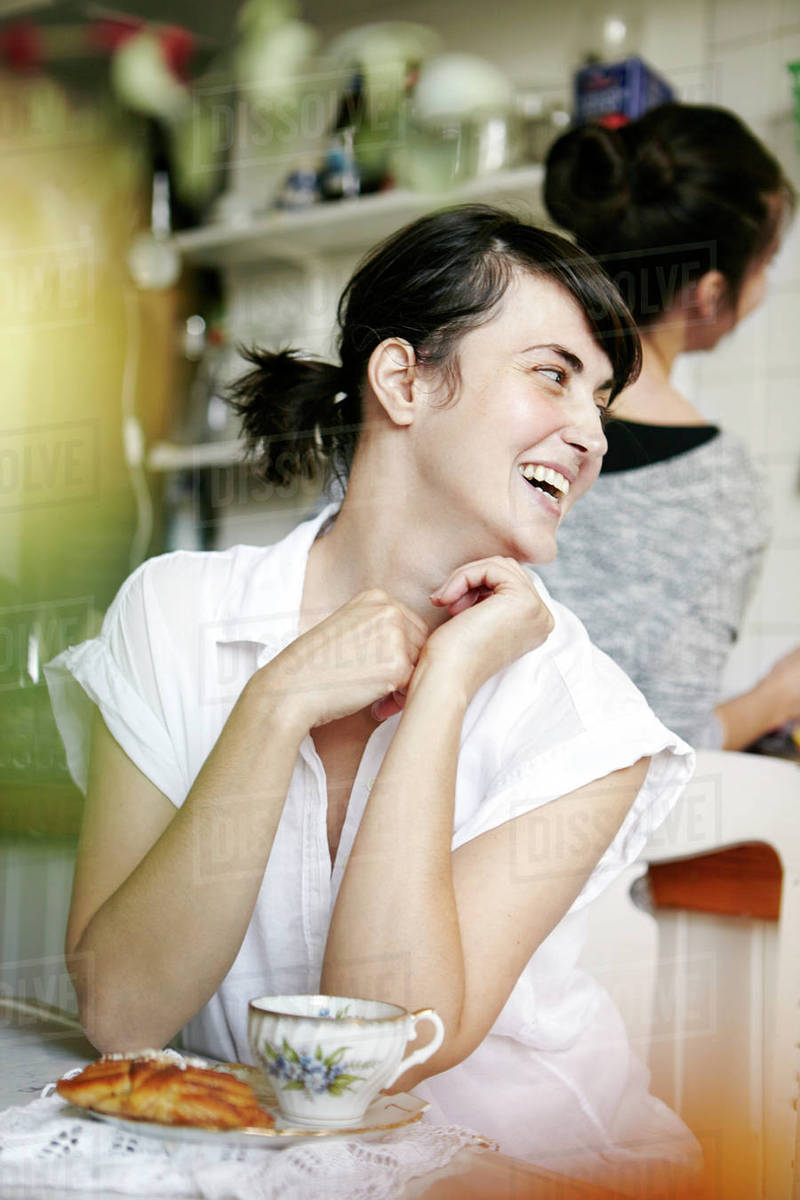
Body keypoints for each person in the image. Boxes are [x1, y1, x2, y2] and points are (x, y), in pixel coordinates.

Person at [46, 205, 698, 1194]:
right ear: (402, 381)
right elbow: (122, 1013)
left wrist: (441, 691)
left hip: (535, 1172)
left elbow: (383, 1039)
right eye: (552, 376)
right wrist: (273, 706)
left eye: (599, 400)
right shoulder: (177, 615)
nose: (590, 436)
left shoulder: (586, 713)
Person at [540, 102, 799, 750]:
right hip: (577, 843)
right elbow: (663, 748)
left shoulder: (496, 390)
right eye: (764, 264)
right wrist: (776, 698)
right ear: (710, 293)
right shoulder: (718, 484)